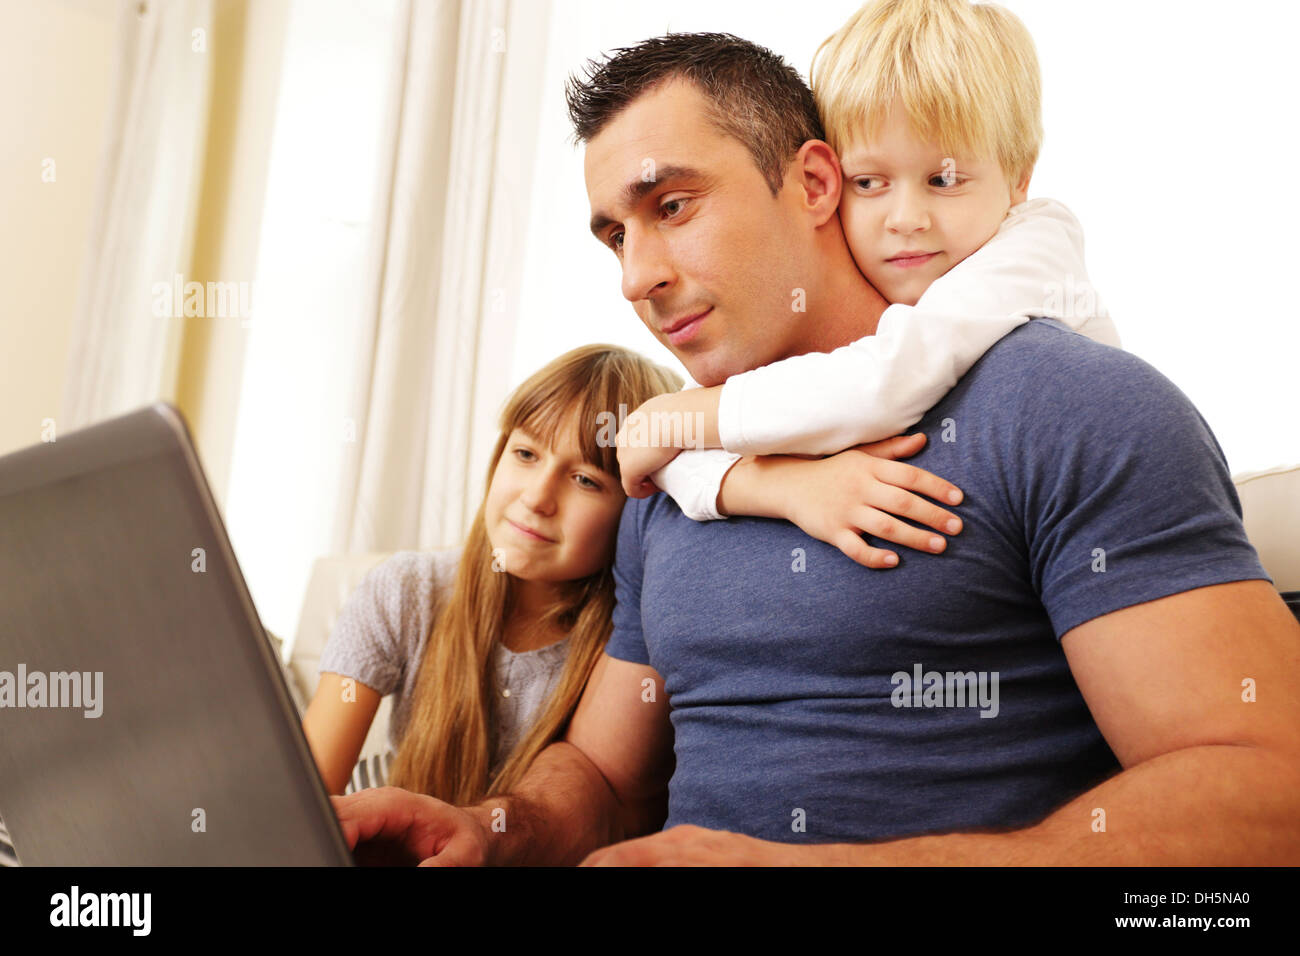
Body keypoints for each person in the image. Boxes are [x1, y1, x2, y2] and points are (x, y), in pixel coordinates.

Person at [332, 29, 1300, 866]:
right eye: (613, 235)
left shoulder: (1067, 405)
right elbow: (601, 774)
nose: (636, 275)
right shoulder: (671, 471)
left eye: (671, 206)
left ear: (811, 180)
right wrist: (493, 828)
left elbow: (1271, 792)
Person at [302, 342, 955, 803]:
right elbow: (306, 795)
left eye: (586, 478)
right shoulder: (406, 593)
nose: (537, 495)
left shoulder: (638, 644)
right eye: (525, 454)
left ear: (637, 502)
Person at [615, 0, 1122, 569]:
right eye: (869, 182)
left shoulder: (1032, 253)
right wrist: (776, 487)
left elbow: (885, 383)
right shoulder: (820, 346)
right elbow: (664, 455)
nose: (905, 218)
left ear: (1018, 178)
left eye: (943, 179)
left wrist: (679, 419)